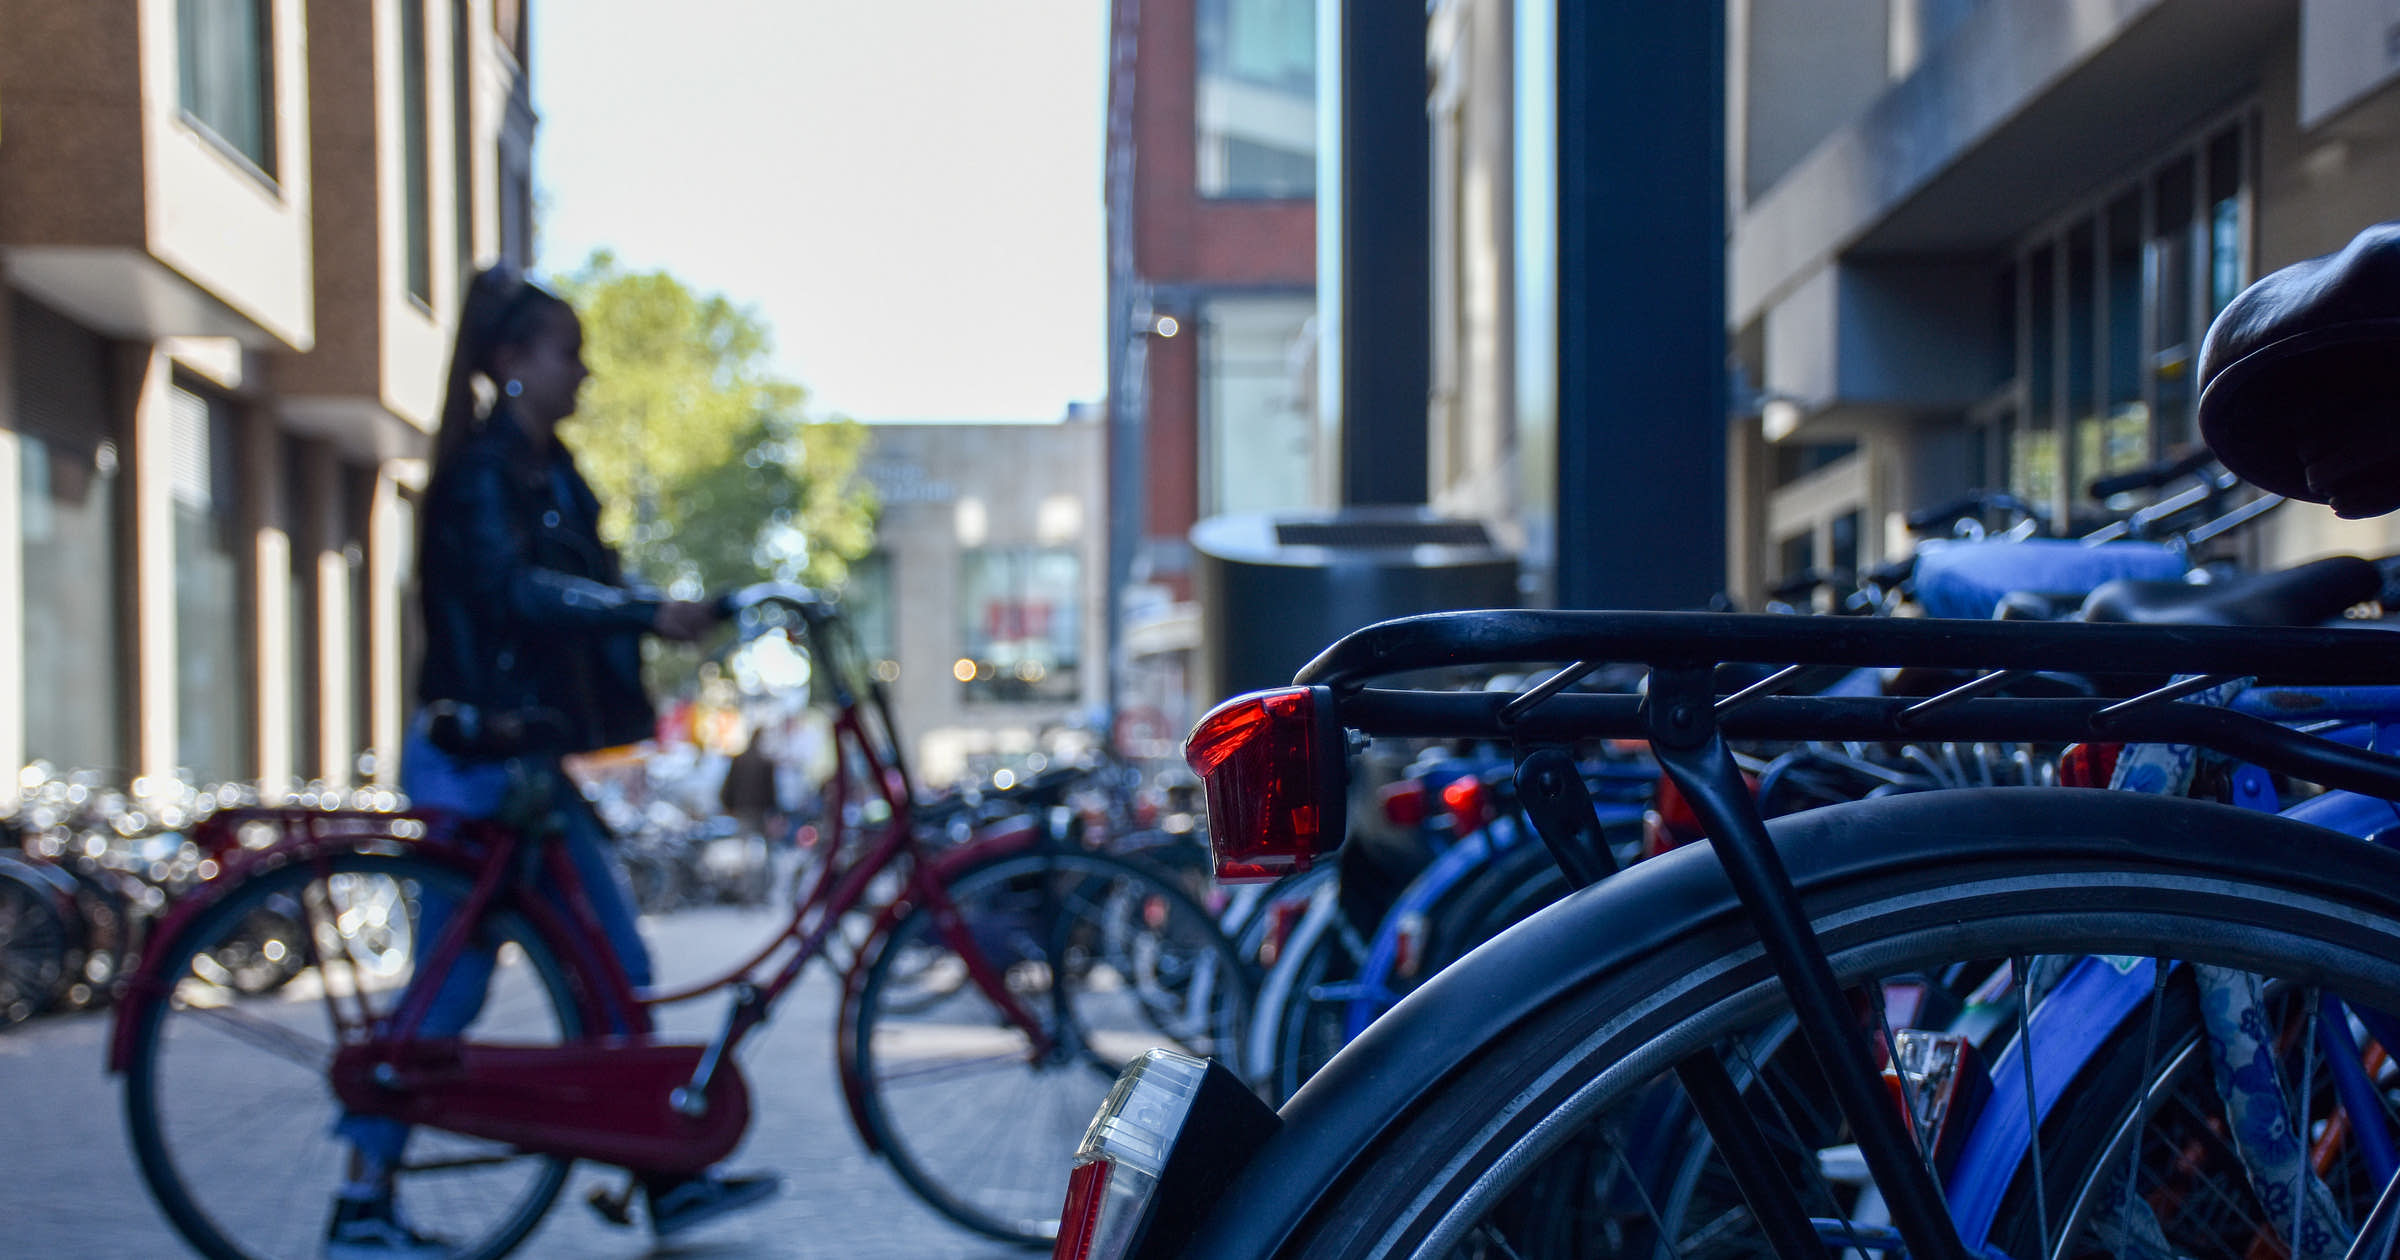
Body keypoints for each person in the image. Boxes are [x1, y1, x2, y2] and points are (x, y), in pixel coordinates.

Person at [328, 265, 778, 1257]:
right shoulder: (482, 475)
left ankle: (663, 1173)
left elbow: (587, 582)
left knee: (613, 965)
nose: (586, 372)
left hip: (526, 760)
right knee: (455, 982)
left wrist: (662, 610)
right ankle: (362, 1201)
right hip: (478, 758)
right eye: (568, 353)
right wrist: (641, 611)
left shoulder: (550, 472)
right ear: (512, 363)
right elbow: (512, 592)